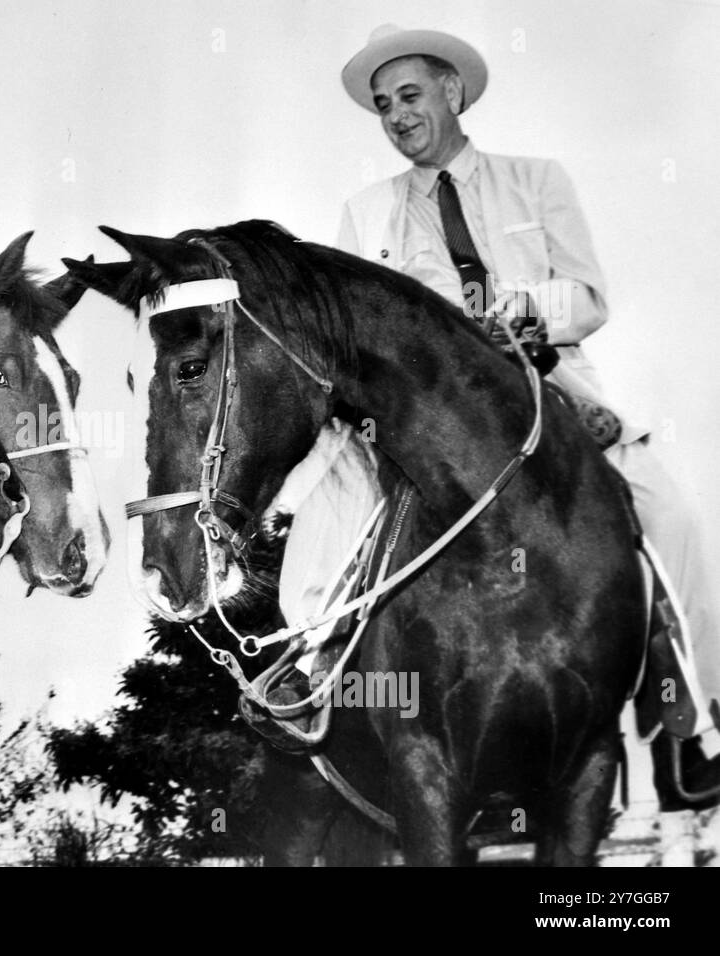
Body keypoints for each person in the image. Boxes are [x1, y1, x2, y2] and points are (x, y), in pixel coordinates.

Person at [274, 26, 719, 863]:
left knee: (676, 512)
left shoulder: (536, 181)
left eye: (409, 96)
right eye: (382, 106)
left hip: (544, 380)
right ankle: (308, 674)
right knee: (324, 496)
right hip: (421, 413)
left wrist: (524, 308)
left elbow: (589, 296)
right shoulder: (364, 214)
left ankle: (690, 725)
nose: (397, 116)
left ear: (452, 93)